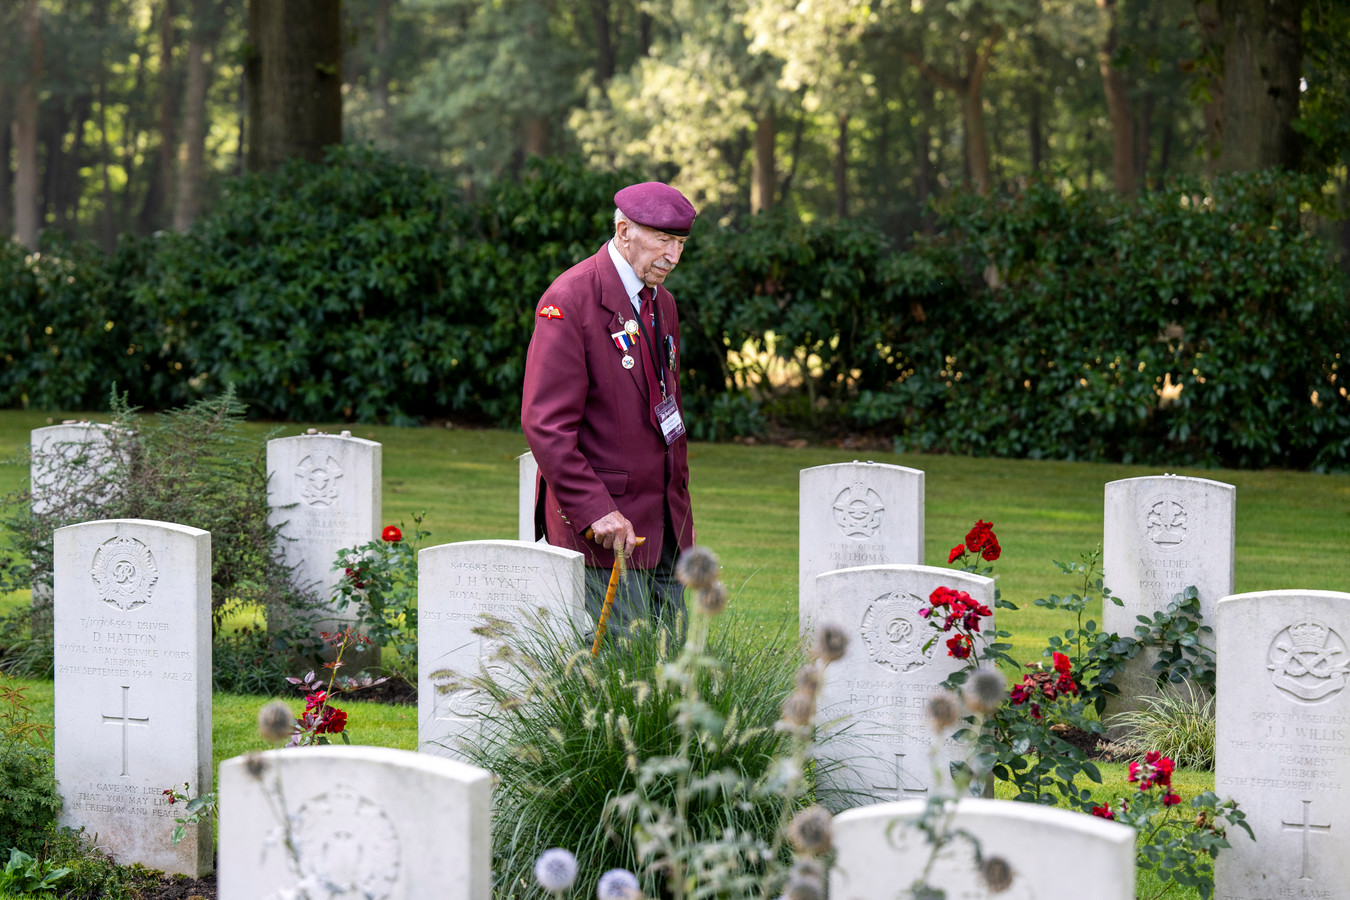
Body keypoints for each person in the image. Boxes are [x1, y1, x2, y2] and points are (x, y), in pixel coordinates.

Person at [521, 181, 697, 631]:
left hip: (665, 524)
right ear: (623, 231)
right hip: (607, 527)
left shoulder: (663, 302)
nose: (672, 256)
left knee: (667, 674)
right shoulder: (569, 299)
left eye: (679, 243)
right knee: (619, 676)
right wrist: (594, 509)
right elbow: (546, 426)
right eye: (662, 240)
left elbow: (663, 404)